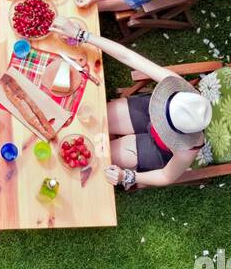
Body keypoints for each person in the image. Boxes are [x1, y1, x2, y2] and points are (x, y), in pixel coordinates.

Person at [50, 20, 210, 190]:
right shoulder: (179, 89)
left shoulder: (188, 148)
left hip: (159, 147)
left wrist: (128, 175)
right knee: (95, 119)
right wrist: (82, 35)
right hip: (147, 111)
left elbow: (166, 176)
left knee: (99, 153)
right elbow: (128, 56)